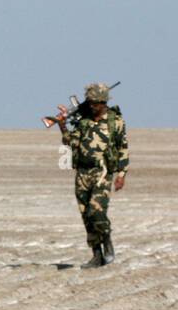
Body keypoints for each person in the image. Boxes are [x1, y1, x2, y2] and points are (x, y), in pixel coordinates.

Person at [55, 83, 128, 267]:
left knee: (97, 212)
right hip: (82, 172)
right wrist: (63, 127)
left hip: (102, 172)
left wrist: (121, 174)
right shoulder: (83, 121)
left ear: (104, 103)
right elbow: (70, 143)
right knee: (86, 216)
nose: (93, 106)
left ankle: (107, 238)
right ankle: (97, 254)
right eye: (91, 103)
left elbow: (123, 148)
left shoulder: (115, 121)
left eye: (96, 103)